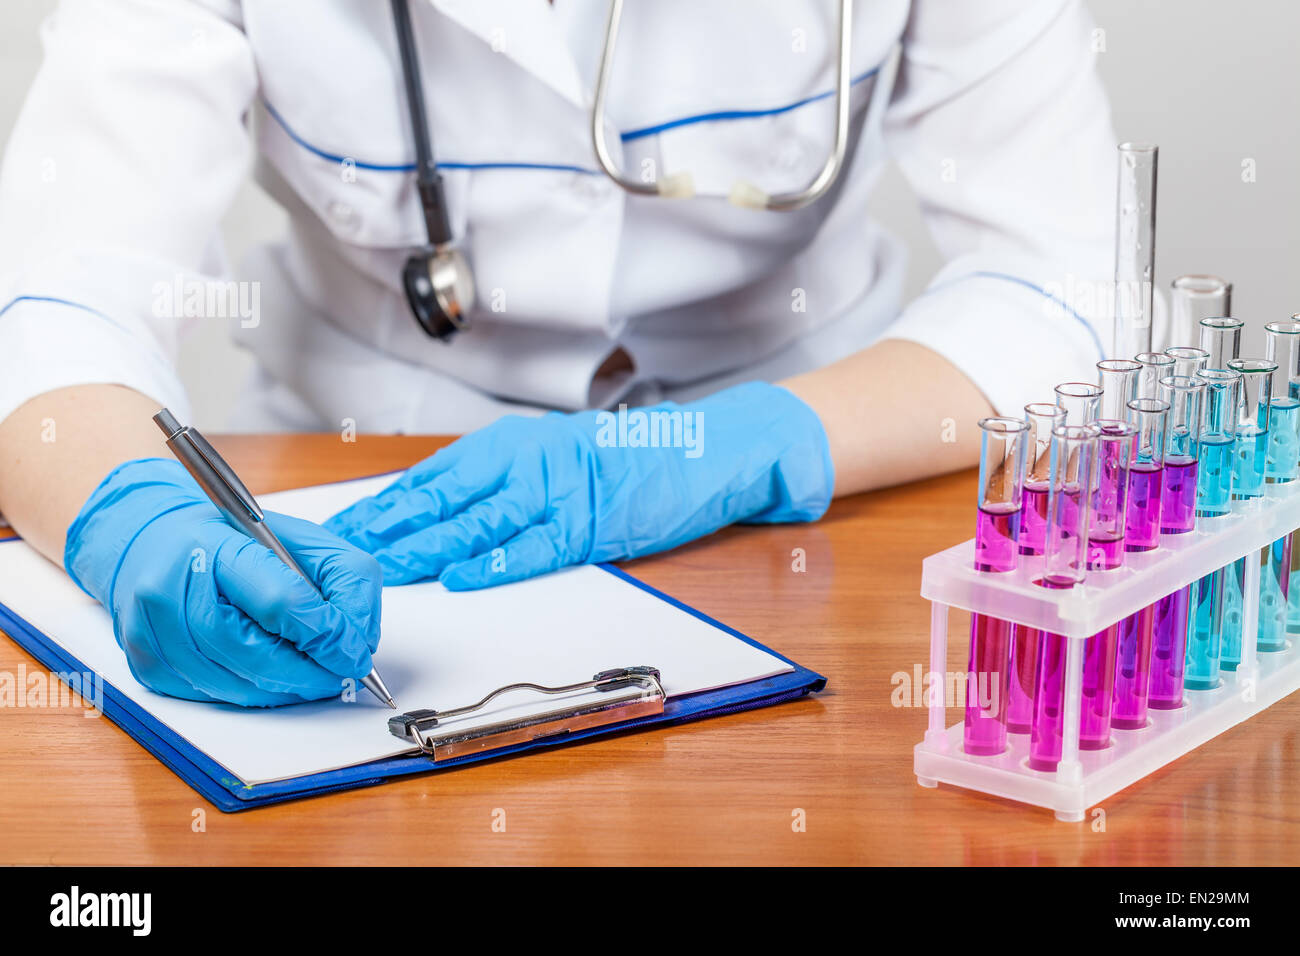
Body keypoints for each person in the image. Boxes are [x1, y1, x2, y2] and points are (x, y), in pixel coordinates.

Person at [0, 0, 1117, 706]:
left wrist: (766, 441)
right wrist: (129, 512)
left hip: (831, 486)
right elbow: (57, 287)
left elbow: (1074, 282)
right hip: (363, 475)